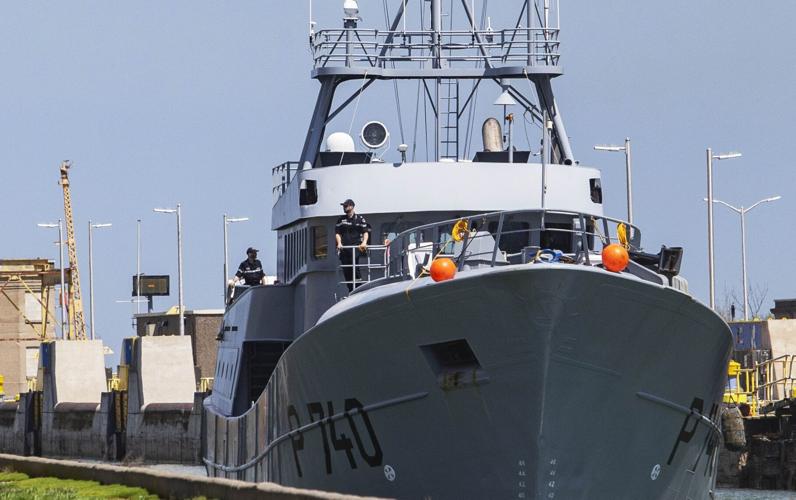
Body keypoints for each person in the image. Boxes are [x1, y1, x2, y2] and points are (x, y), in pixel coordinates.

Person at [335, 199, 370, 291]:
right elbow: (337, 233)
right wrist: (339, 243)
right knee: (346, 270)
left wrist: (364, 242)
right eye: (343, 206)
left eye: (346, 206)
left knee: (354, 267)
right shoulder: (341, 220)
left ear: (352, 206)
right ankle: (351, 290)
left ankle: (358, 289)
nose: (344, 208)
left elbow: (365, 232)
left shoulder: (360, 219)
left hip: (355, 248)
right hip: (344, 249)